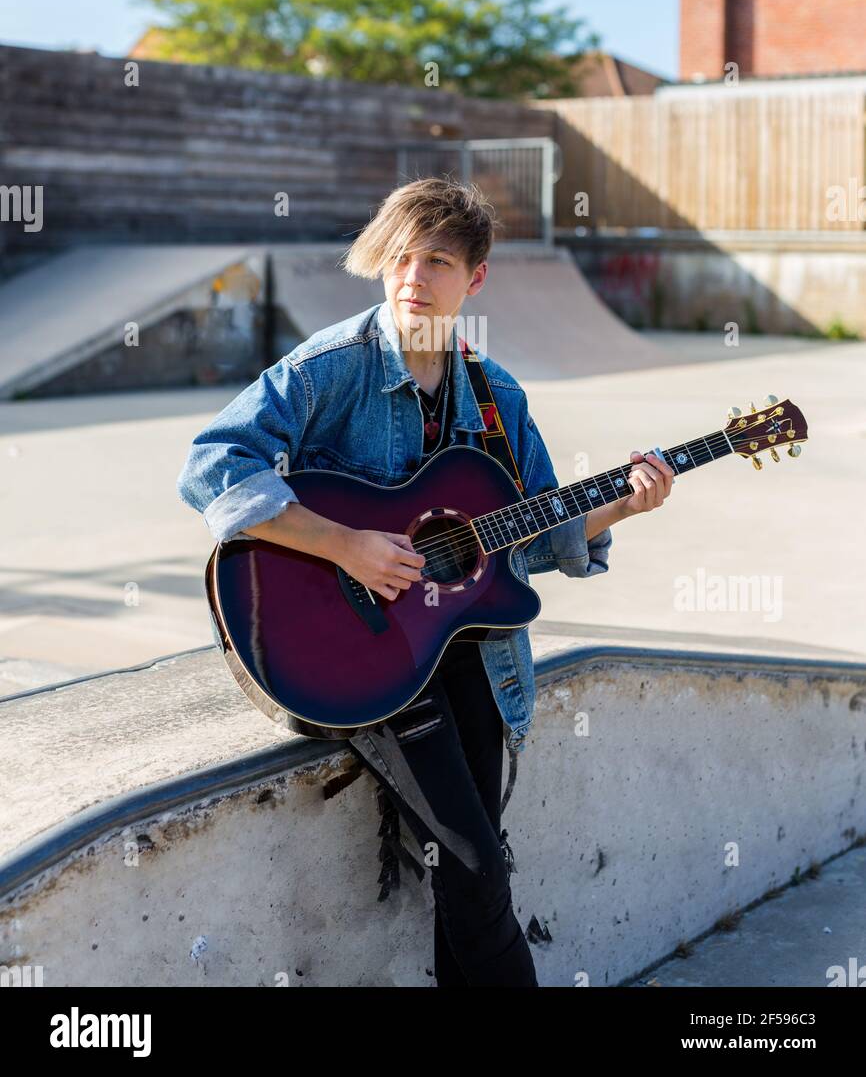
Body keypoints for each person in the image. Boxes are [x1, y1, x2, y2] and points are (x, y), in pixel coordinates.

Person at [176, 176, 675, 987]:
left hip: (462, 651)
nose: (414, 276)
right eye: (400, 258)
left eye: (437, 261)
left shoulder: (497, 397)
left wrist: (619, 505)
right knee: (476, 867)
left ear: (474, 280)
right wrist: (346, 546)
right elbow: (212, 466)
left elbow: (538, 536)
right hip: (346, 649)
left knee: (474, 867)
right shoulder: (329, 369)